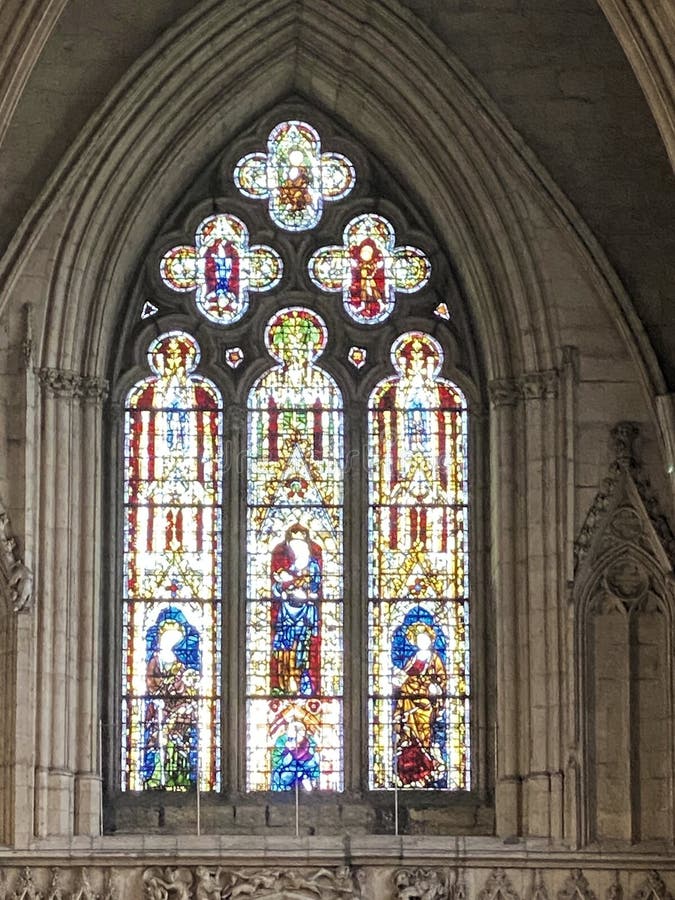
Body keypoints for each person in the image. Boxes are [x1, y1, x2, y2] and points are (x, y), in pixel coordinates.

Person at [393, 622, 447, 787]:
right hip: (408, 701)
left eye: (424, 639)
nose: (422, 642)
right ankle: (411, 771)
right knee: (408, 735)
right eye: (419, 639)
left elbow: (442, 680)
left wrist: (434, 687)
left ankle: (430, 764)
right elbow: (407, 678)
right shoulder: (413, 659)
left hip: (424, 704)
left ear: (430, 639)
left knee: (424, 735)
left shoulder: (434, 659)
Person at [270, 524, 322, 696]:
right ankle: (285, 686)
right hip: (286, 614)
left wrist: (304, 592)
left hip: (303, 615)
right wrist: (282, 588)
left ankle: (300, 685)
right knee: (284, 652)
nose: (296, 549)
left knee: (301, 650)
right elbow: (277, 590)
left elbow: (315, 590)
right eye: (293, 546)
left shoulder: (312, 567)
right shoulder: (290, 568)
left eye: (299, 545)